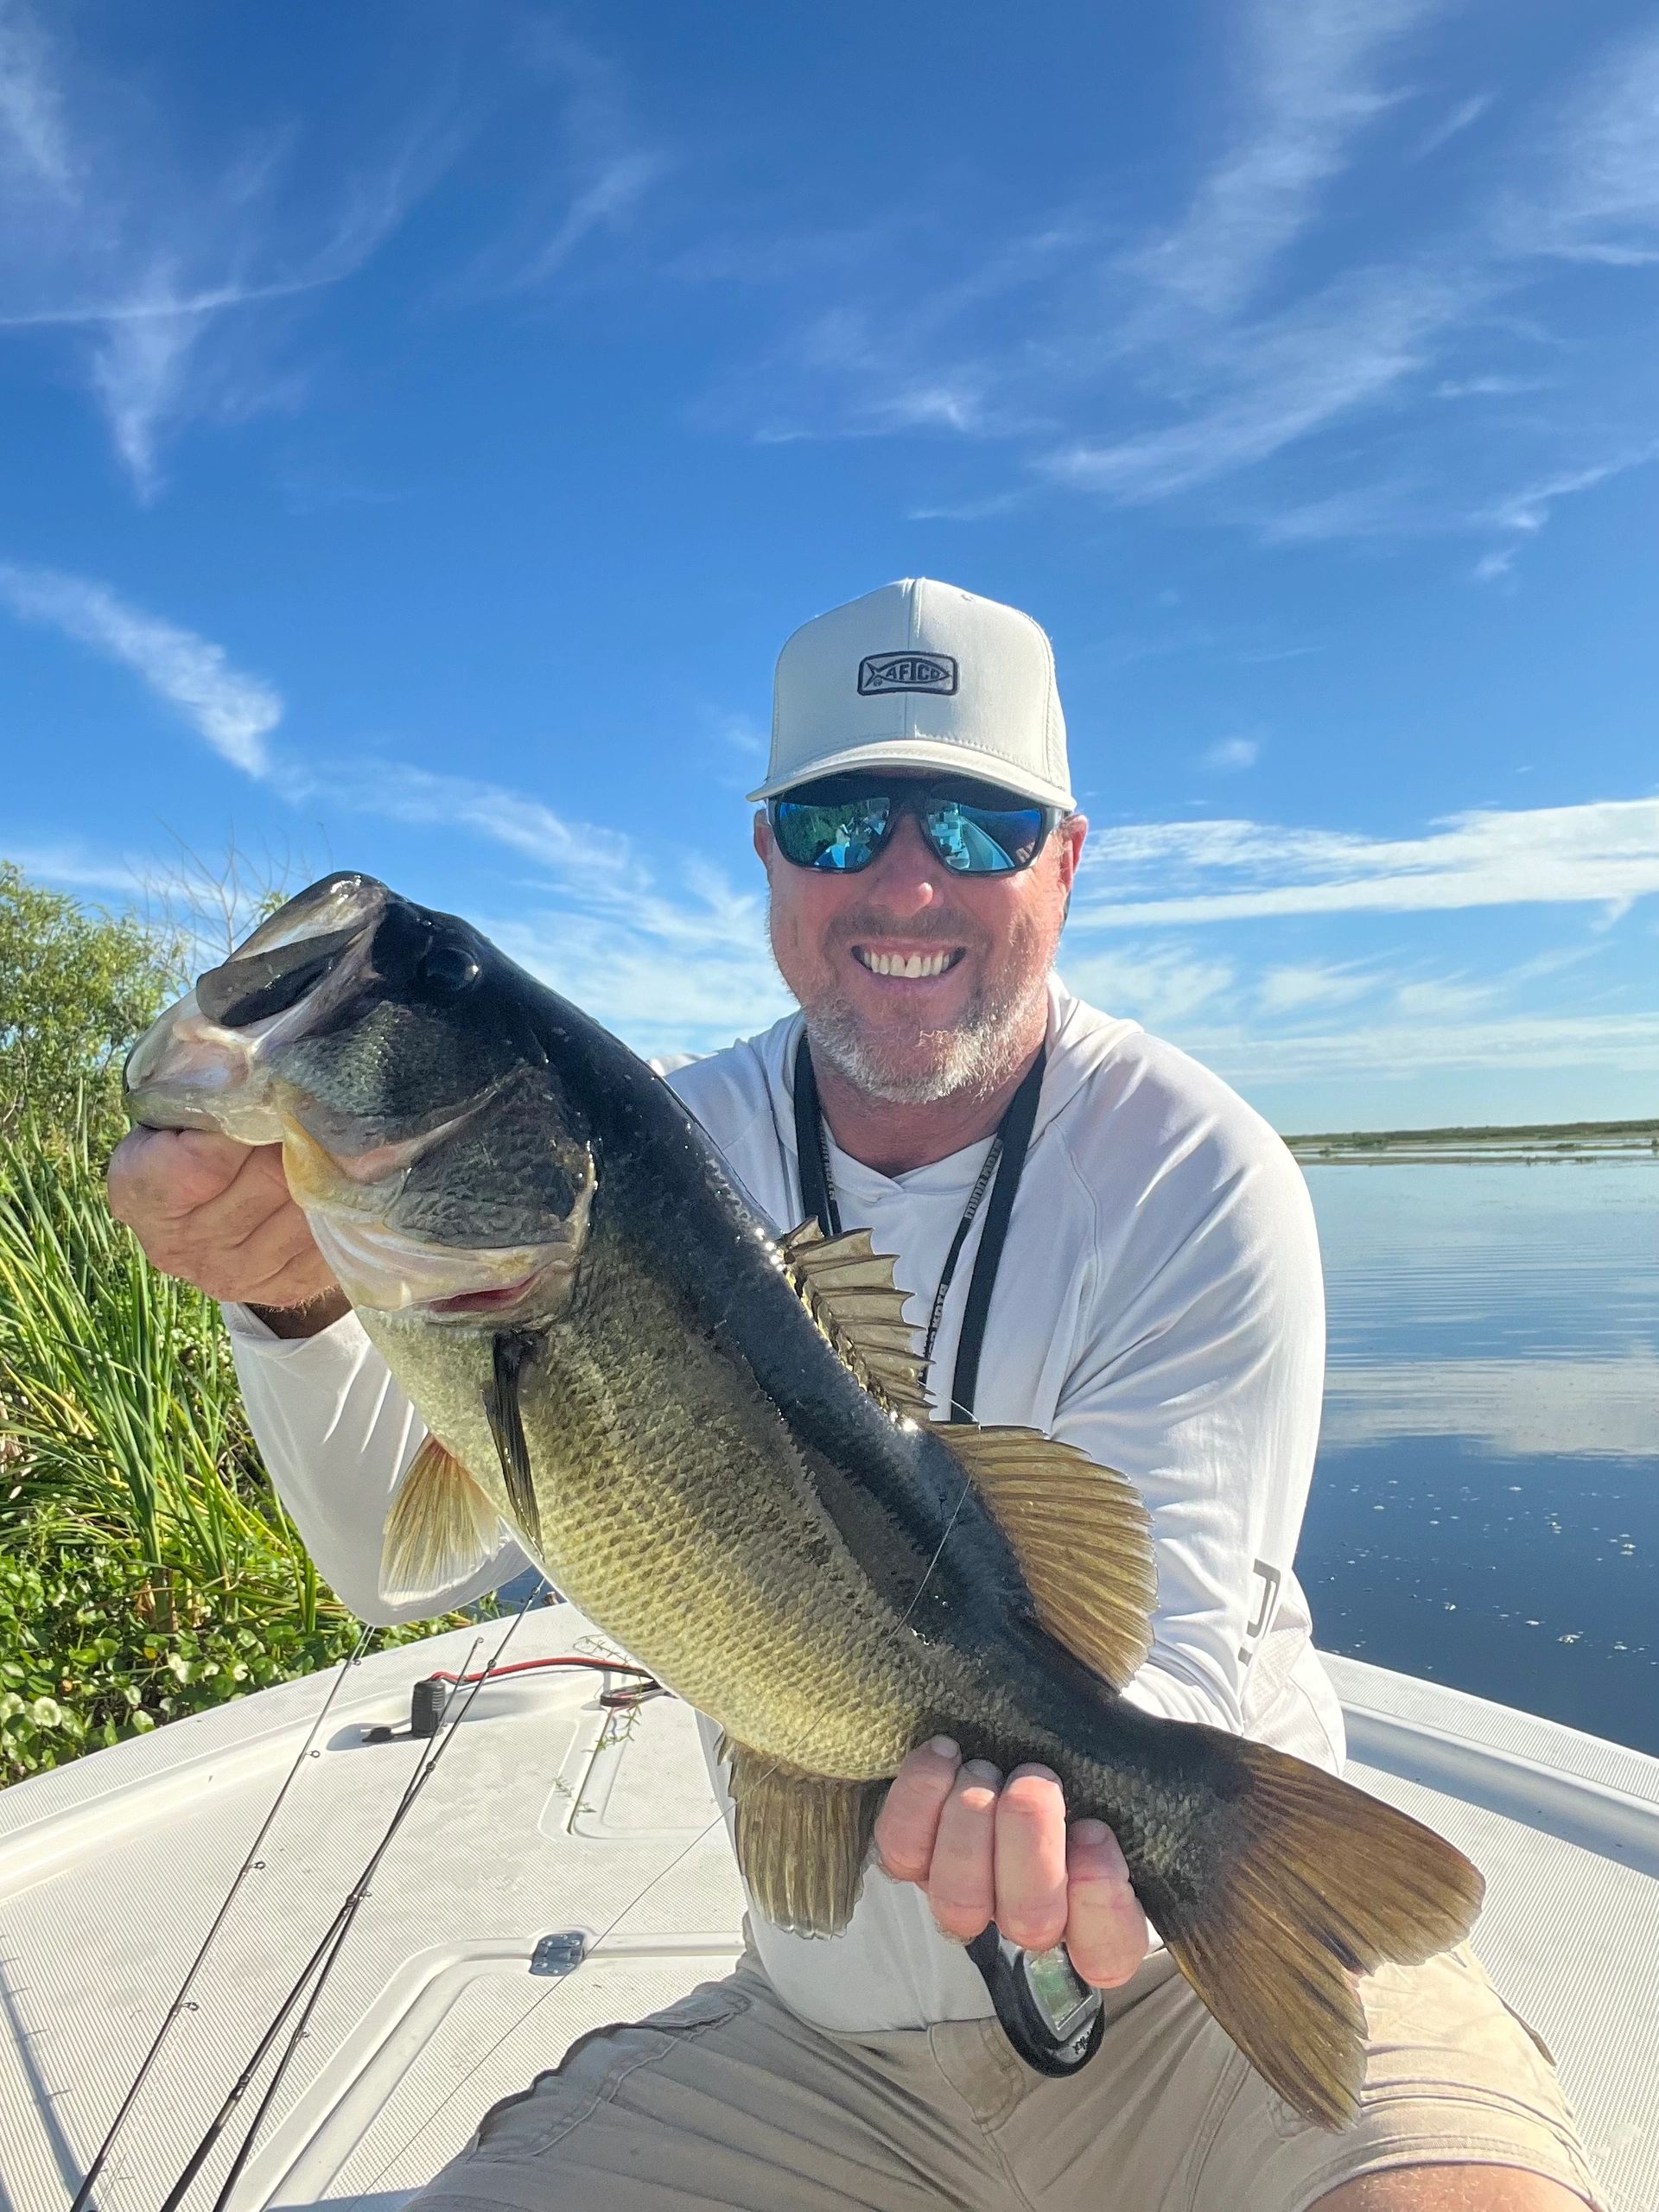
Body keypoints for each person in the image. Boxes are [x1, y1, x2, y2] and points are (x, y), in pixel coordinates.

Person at [109, 580, 1600, 2211]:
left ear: (1066, 861)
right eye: (833, 825)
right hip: (824, 2048)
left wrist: (1111, 1829)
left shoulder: (1196, 1166)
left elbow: (1160, 1635)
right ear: (766, 861)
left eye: (977, 824)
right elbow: (395, 1570)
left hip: (1187, 2006)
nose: (905, 878)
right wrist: (291, 1293)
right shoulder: (664, 1139)